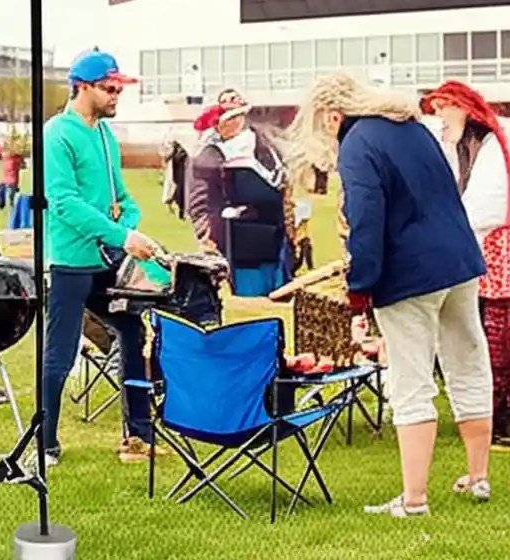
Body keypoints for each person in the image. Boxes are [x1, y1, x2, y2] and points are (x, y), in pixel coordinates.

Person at [288, 72, 493, 517]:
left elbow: (367, 220)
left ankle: (414, 498)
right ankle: (478, 477)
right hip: (458, 260)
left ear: (333, 114)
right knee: (468, 363)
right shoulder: (413, 127)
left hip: (410, 273)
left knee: (410, 379)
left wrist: (360, 291)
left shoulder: (359, 142)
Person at [42, 49, 161, 469]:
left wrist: (126, 224)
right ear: (83, 87)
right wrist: (122, 235)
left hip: (108, 260)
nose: (116, 96)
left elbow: (122, 199)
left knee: (131, 332)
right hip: (72, 263)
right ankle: (46, 443)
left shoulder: (106, 135)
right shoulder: (57, 133)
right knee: (59, 352)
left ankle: (137, 436)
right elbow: (63, 202)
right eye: (110, 89)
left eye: (119, 89)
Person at [421, 81, 510, 453]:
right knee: (484, 332)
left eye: (444, 106)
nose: (438, 115)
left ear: (463, 106)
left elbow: (487, 203)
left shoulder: (488, 142)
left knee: (497, 335)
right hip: (477, 248)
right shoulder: (461, 145)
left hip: (498, 247)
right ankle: (489, 415)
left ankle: (500, 419)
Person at [186, 100, 294, 297]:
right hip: (238, 244)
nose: (238, 121)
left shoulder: (264, 145)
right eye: (232, 117)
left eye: (240, 116)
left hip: (274, 237)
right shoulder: (209, 156)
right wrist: (209, 238)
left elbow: (284, 186)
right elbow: (199, 204)